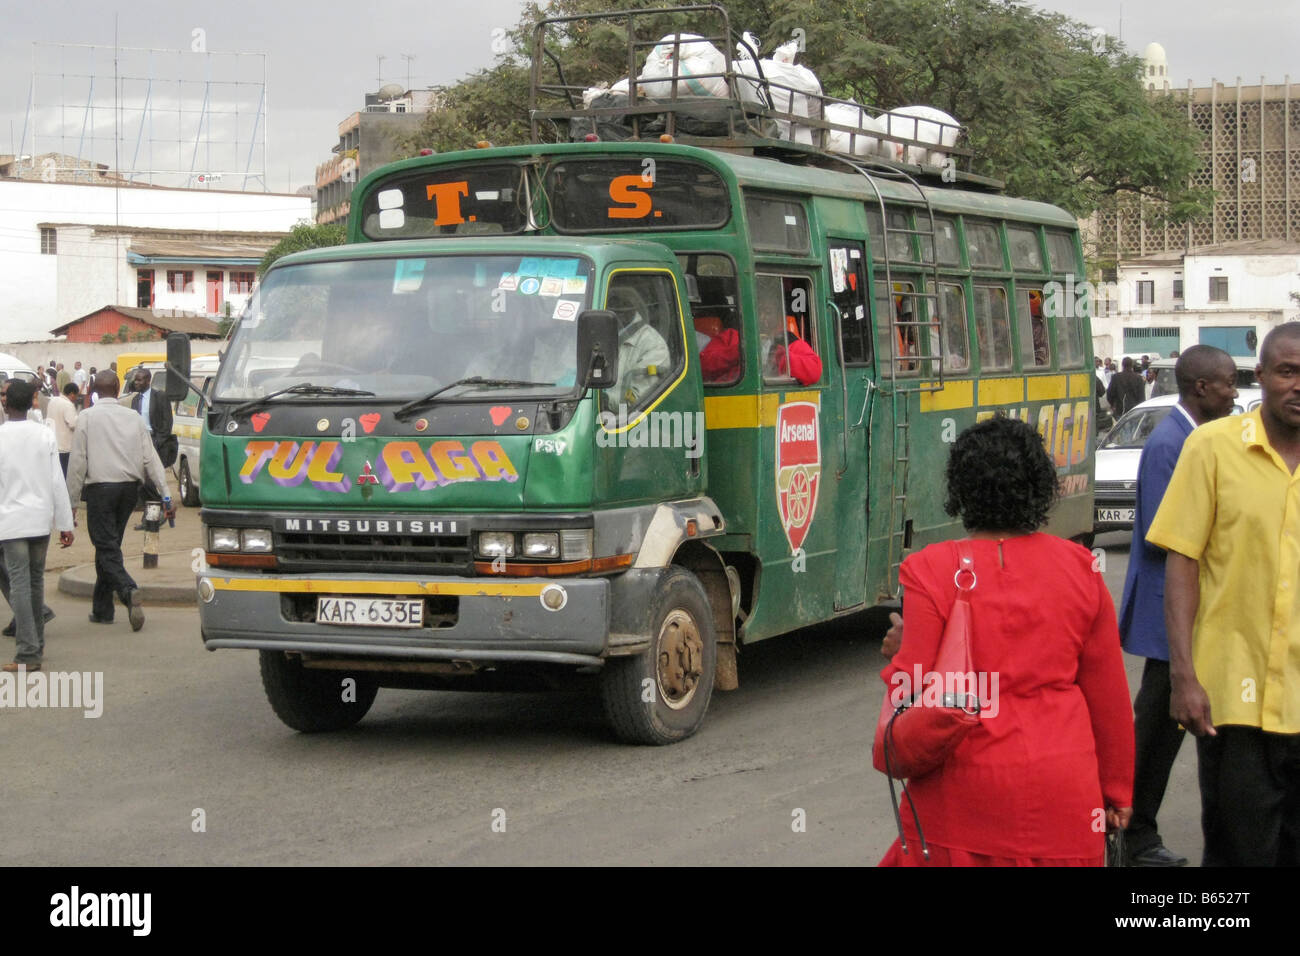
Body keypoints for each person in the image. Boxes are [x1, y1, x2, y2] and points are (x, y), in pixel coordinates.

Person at [878, 416, 1134, 866]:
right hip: (1064, 793)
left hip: (961, 801)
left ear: (960, 490)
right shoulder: (1080, 568)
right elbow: (1108, 698)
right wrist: (1116, 791)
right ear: (1040, 488)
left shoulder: (930, 570)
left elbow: (910, 698)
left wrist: (900, 649)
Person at [1148, 322, 1300, 866]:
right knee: (1239, 859)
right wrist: (1184, 677)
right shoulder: (1211, 449)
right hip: (1235, 705)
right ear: (1260, 377)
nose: (1298, 385)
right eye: (1287, 371)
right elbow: (1181, 562)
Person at [1118, 345, 1237, 868]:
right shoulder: (1174, 442)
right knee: (1156, 732)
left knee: (1164, 728)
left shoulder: (1191, 436)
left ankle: (1133, 830)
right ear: (1202, 388)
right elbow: (1170, 538)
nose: (1236, 393)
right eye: (1230, 383)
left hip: (1183, 616)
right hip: (1172, 616)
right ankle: (1132, 834)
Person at [65, 371, 174, 632]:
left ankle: (128, 590)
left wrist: (70, 504)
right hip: (128, 491)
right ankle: (102, 610)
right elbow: (151, 458)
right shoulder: (133, 417)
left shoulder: (87, 417)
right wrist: (166, 494)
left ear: (94, 389)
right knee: (110, 546)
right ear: (117, 389)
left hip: (101, 490)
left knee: (105, 546)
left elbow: (78, 463)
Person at [0, 381, 75, 673]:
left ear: (6, 404)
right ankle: (36, 645)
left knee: (20, 584)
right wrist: (65, 523)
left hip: (11, 521)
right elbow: (57, 480)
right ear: (33, 401)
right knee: (34, 582)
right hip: (40, 520)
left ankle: (28, 653)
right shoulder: (45, 435)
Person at [128, 367, 174, 466]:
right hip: (139, 442)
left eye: (139, 380)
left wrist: (158, 442)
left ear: (148, 381)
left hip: (155, 441)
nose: (136, 382)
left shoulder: (159, 396)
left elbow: (167, 422)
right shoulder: (135, 400)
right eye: (135, 380)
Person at [45, 382, 79, 475]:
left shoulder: (53, 400)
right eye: (76, 395)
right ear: (72, 394)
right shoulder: (68, 405)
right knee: (64, 475)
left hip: (52, 444)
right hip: (64, 447)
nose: (76, 398)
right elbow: (73, 424)